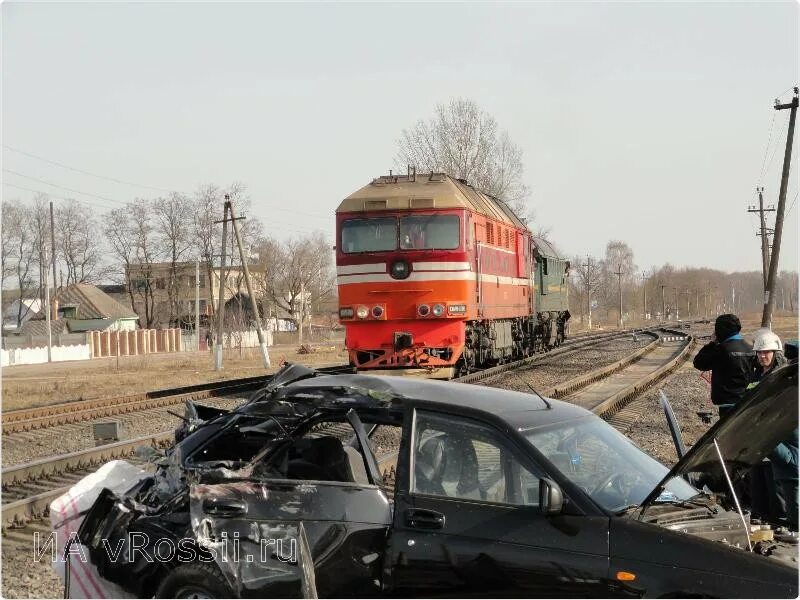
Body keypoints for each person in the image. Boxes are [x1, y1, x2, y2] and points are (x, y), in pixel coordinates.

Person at [692, 313, 755, 418]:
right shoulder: (750, 348)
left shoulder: (720, 350)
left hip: (727, 404)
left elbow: (698, 363)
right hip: (747, 400)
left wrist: (712, 343)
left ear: (720, 330)